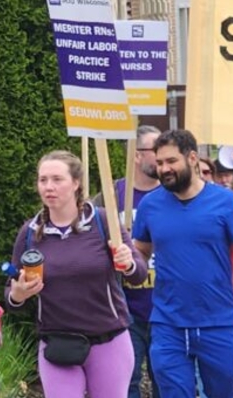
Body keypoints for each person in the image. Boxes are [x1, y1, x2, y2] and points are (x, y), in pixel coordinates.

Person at [133, 129, 233, 398]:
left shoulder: (226, 202)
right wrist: (128, 262)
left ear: (192, 158)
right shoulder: (150, 205)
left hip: (218, 323)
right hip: (168, 324)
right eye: (159, 163)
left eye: (171, 161)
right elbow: (141, 252)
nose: (164, 169)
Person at [10, 151, 147, 398]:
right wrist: (18, 294)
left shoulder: (103, 222)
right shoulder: (30, 233)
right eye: (43, 180)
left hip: (108, 341)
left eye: (57, 179)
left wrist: (127, 263)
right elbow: (11, 296)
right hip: (57, 344)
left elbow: (138, 274)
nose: (48, 187)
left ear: (76, 183)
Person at [96, 125, 162, 398]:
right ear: (136, 155)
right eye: (156, 150)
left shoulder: (172, 195)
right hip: (126, 308)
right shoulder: (111, 196)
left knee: (166, 383)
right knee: (127, 383)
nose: (162, 157)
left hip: (165, 307)